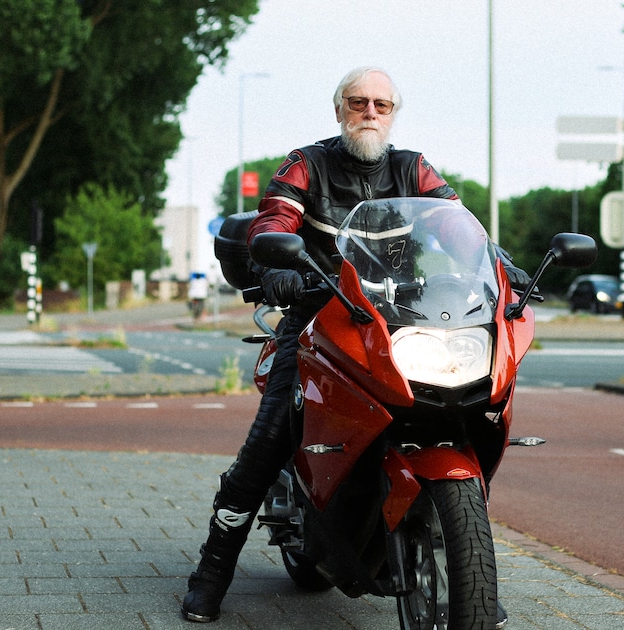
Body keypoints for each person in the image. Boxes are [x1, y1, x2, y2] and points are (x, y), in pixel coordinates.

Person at [182, 67, 520, 628]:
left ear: (393, 113)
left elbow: (459, 228)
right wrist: (275, 263)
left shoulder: (413, 168)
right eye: (358, 102)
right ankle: (211, 572)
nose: (370, 112)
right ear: (339, 108)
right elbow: (275, 218)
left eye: (381, 105)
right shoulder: (306, 164)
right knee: (268, 440)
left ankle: (467, 568)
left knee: (467, 409)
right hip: (321, 312)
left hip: (403, 317)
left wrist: (500, 265)